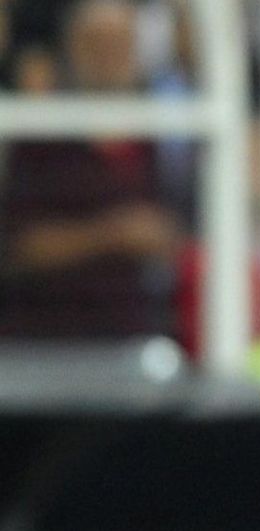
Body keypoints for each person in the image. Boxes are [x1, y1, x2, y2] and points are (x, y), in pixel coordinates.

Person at [0, 0, 182, 344]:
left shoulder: (161, 134)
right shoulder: (41, 134)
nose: (108, 58)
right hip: (43, 337)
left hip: (135, 335)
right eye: (96, 44)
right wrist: (115, 233)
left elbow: (180, 232)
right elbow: (21, 245)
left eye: (118, 44)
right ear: (72, 48)